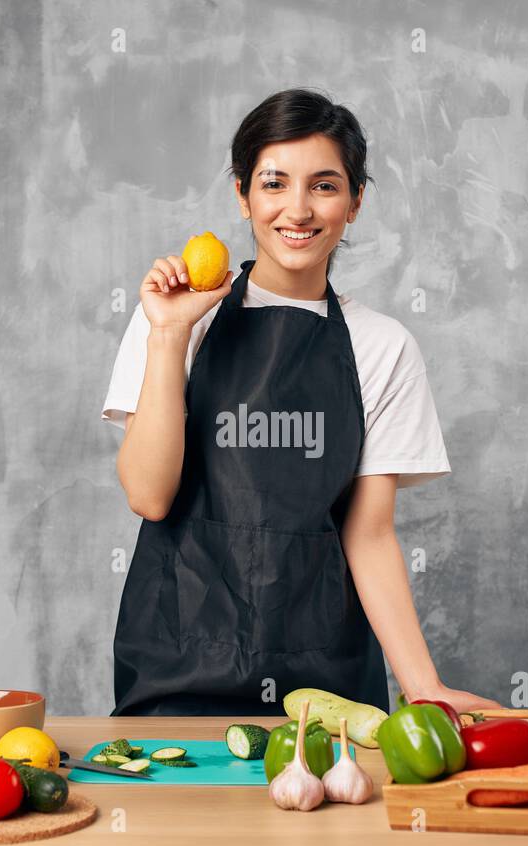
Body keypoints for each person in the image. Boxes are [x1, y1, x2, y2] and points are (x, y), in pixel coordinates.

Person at [100, 88, 501, 717]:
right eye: (273, 183)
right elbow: (150, 496)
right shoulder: (175, 321)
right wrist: (169, 335)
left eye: (324, 185)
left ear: (356, 201)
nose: (297, 209)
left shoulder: (382, 346)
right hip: (177, 666)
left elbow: (368, 536)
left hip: (327, 684)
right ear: (242, 195)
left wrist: (424, 686)